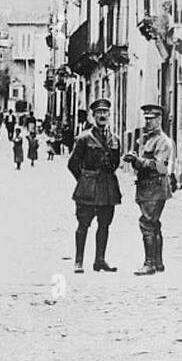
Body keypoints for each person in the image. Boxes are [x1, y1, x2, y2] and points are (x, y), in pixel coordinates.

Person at [67, 98, 121, 273]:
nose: (102, 115)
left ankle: (100, 260)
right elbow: (73, 164)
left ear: (109, 115)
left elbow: (115, 163)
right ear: (93, 115)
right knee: (83, 224)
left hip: (107, 188)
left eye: (105, 112)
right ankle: (79, 261)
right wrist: (85, 180)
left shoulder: (115, 139)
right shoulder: (84, 138)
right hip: (88, 189)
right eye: (99, 113)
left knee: (105, 224)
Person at [124, 103, 175, 275]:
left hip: (155, 187)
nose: (148, 122)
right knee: (154, 224)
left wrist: (138, 161)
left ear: (159, 119)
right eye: (146, 119)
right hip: (148, 187)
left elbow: (161, 167)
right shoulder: (148, 139)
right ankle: (158, 263)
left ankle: (149, 264)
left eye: (151, 119)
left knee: (146, 224)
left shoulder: (163, 141)